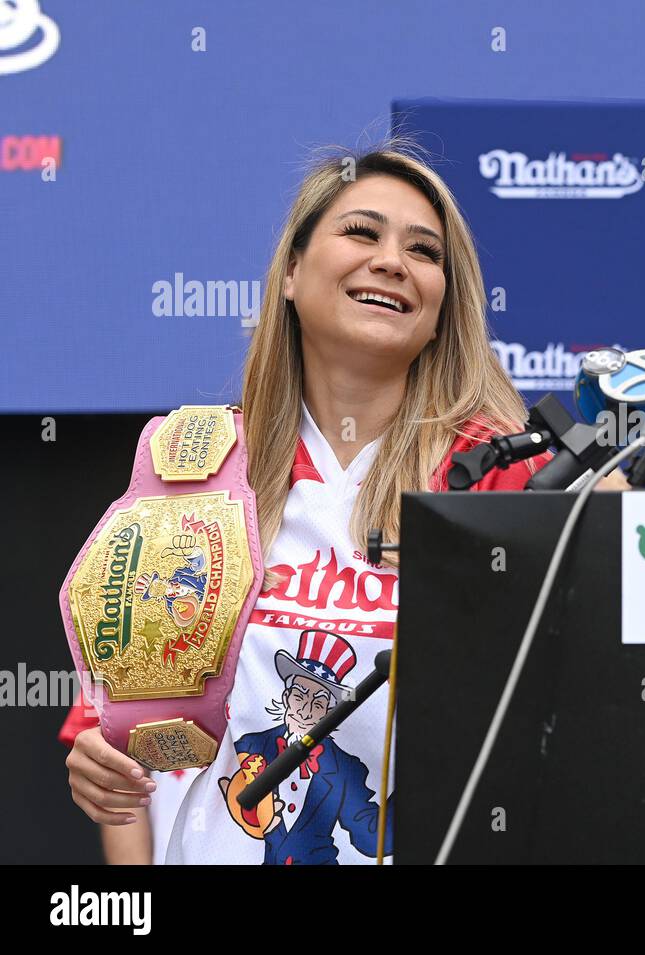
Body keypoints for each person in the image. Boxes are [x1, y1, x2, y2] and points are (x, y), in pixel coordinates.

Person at [61, 142, 573, 863]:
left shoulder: (498, 472)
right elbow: (119, 731)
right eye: (362, 232)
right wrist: (105, 777)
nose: (392, 260)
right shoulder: (196, 463)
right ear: (293, 273)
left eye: (423, 250)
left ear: (439, 311)